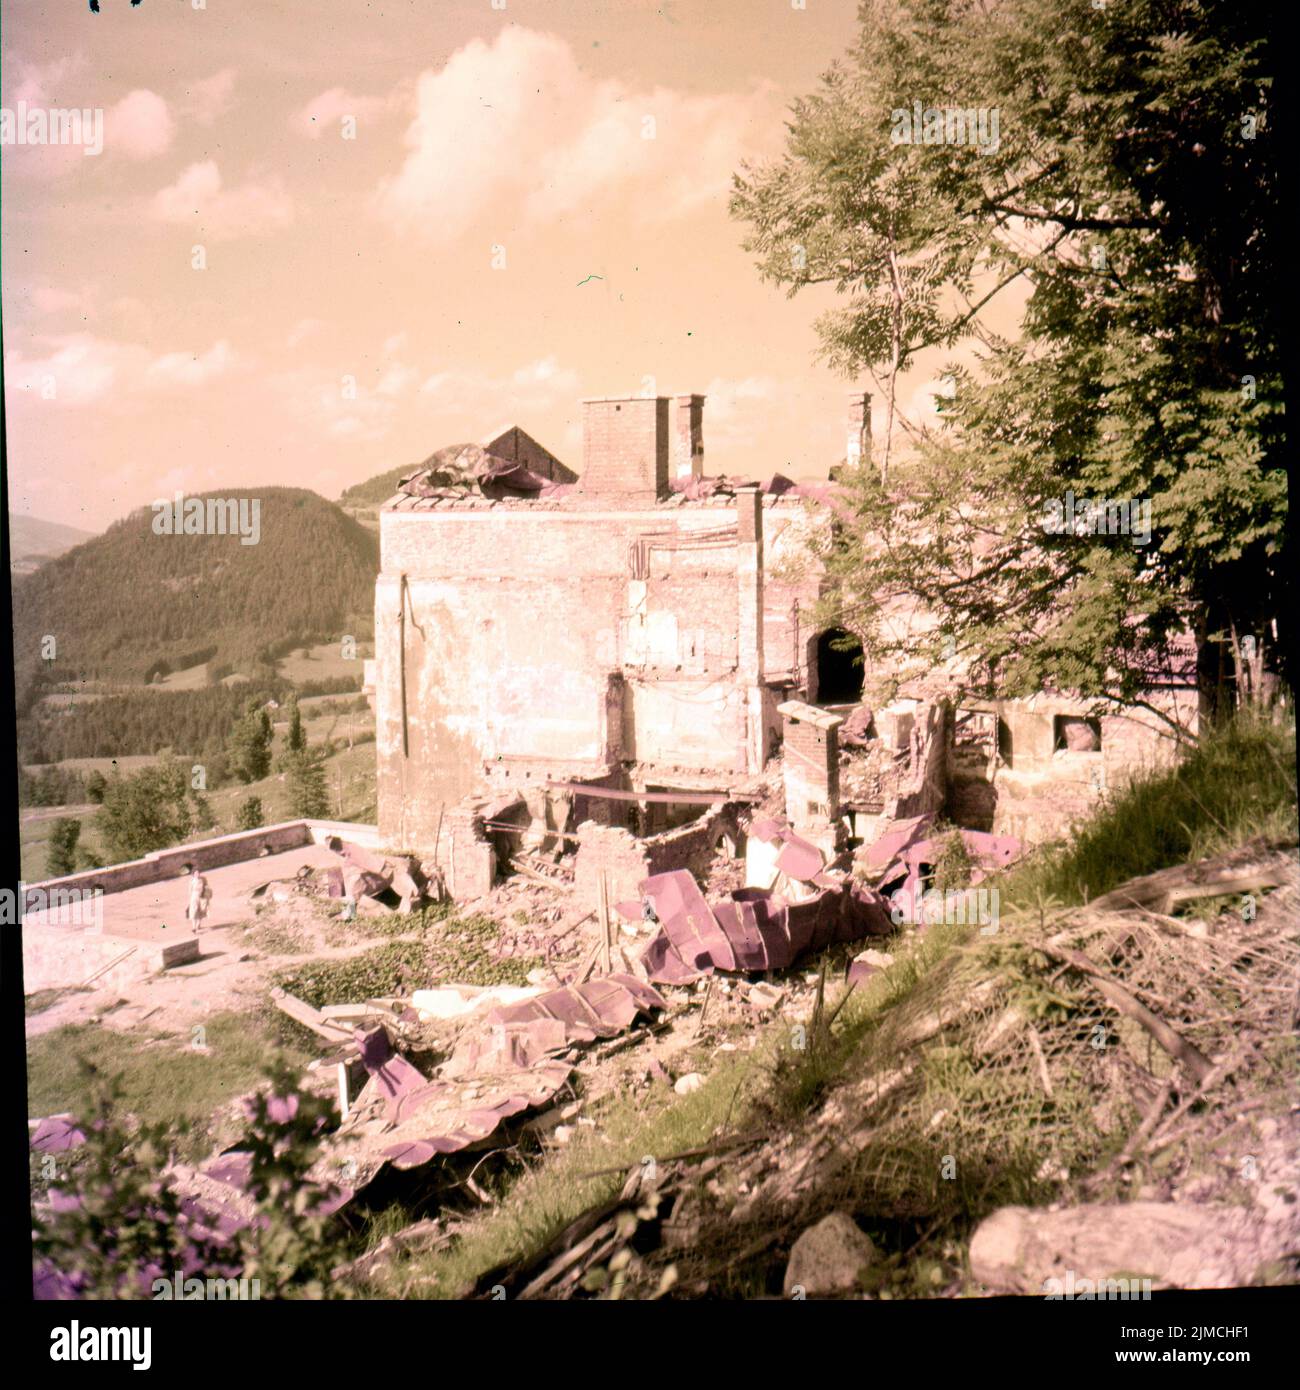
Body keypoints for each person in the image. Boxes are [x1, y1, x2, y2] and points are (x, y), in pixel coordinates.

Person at [186, 866, 212, 934]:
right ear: (193, 874)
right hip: (194, 896)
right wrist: (190, 899)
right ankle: (194, 927)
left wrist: (207, 895)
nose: (197, 874)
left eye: (198, 873)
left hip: (202, 897)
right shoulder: (191, 881)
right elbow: (190, 890)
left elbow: (207, 887)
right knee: (194, 911)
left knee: (202, 910)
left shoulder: (203, 879)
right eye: (196, 873)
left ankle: (198, 925)